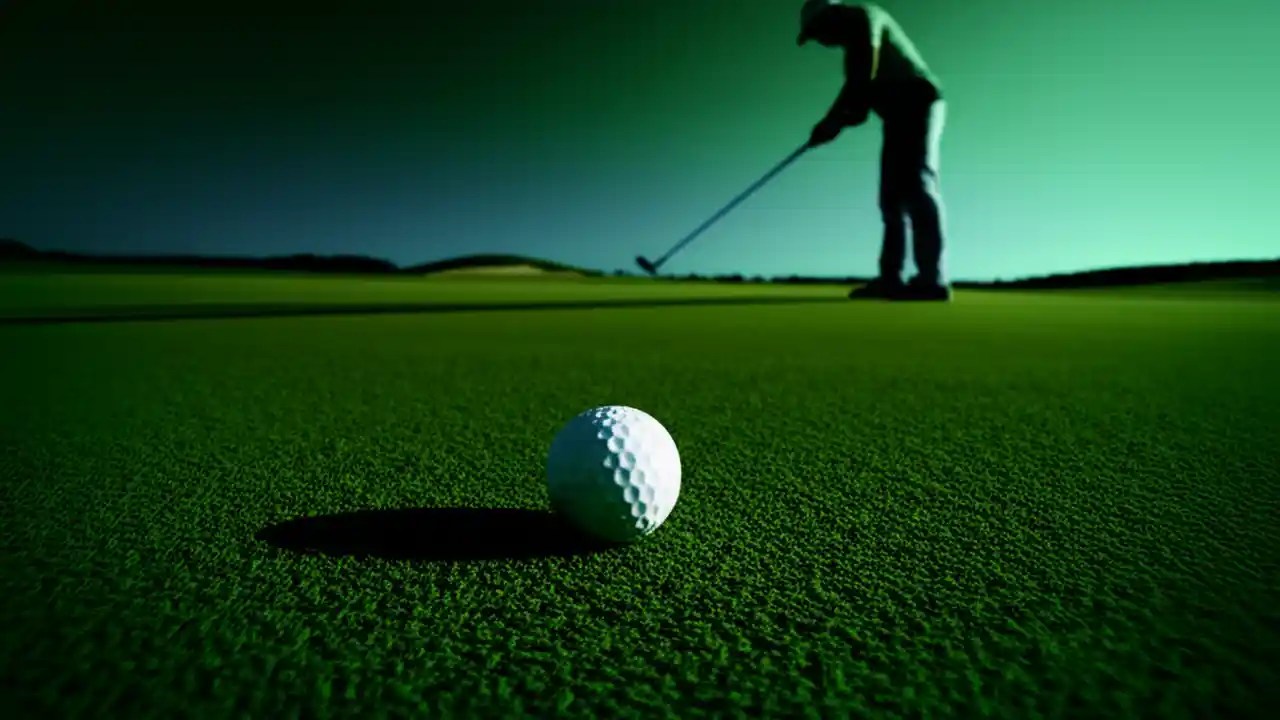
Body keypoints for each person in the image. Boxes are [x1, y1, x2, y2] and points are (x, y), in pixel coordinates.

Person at [798, 0, 951, 301]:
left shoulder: (864, 18)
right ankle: (890, 279)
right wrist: (834, 124)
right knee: (890, 200)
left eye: (816, 33)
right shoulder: (851, 48)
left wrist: (830, 123)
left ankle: (932, 281)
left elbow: (861, 81)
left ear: (831, 15)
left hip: (919, 102)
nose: (820, 41)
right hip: (895, 118)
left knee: (918, 187)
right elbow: (858, 109)